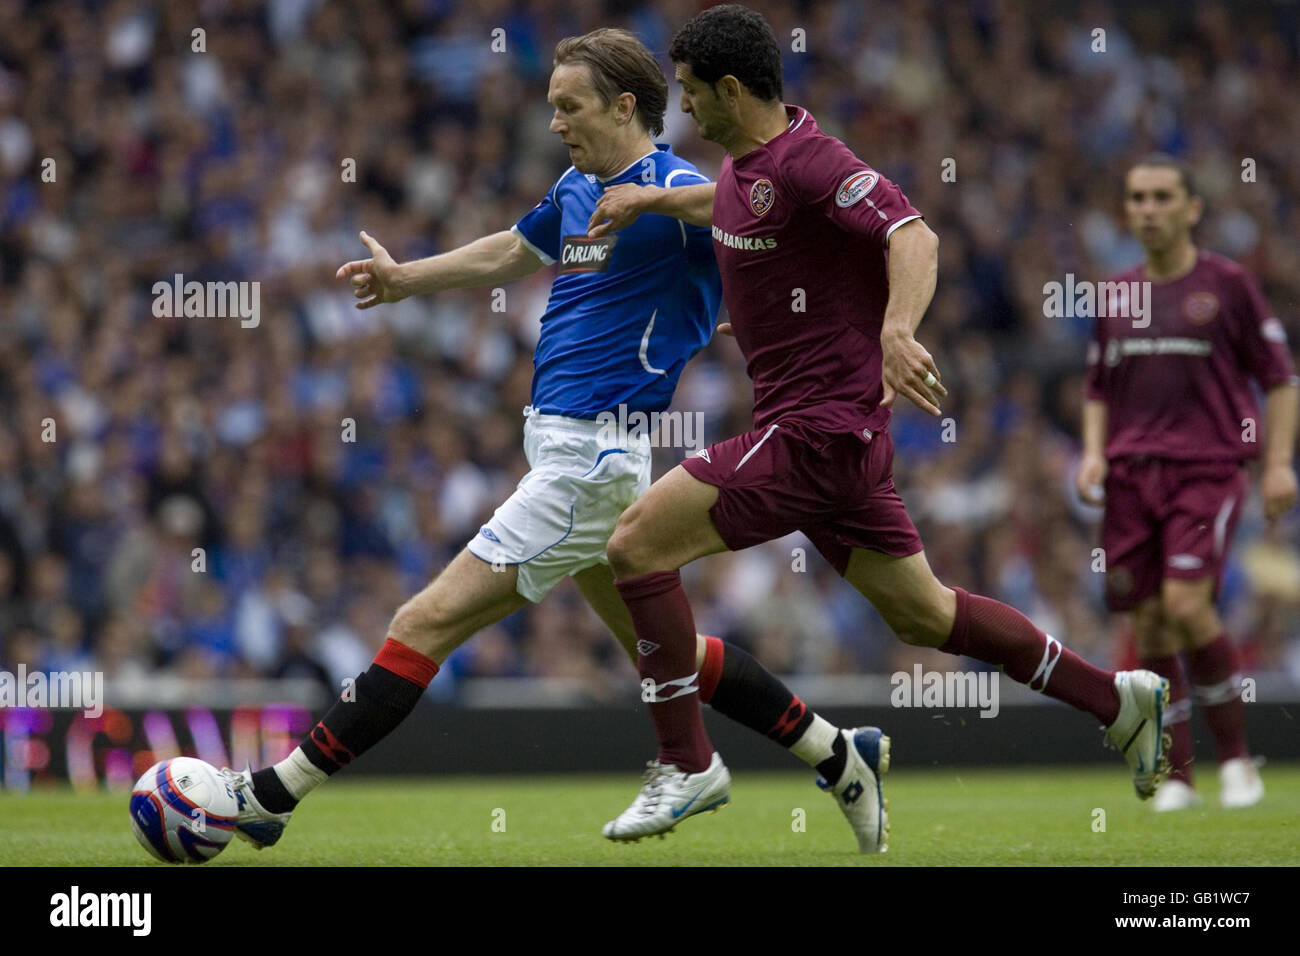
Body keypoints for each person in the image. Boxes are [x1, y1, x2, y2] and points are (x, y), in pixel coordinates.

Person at [222, 27, 880, 853]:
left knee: (422, 622)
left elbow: (779, 229)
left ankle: (273, 794)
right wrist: (405, 281)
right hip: (572, 453)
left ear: (625, 105)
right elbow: (513, 248)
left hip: (594, 460)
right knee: (665, 650)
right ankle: (835, 750)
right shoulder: (578, 187)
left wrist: (862, 339)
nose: (556, 123)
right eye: (551, 108)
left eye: (569, 106)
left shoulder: (682, 194)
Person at [590, 4, 1171, 849]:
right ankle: (1117, 702)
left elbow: (912, 233)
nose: (681, 111)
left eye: (687, 94)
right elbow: (722, 201)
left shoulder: (809, 159)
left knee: (634, 545)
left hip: (816, 433)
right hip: (840, 447)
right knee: (926, 617)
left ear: (728, 89)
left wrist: (898, 330)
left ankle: (686, 762)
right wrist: (652, 198)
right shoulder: (747, 169)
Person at [1077, 155, 1299, 811]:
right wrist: (1092, 455)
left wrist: (1280, 462)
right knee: (1147, 625)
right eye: (1137, 197)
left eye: (1162, 197)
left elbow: (1280, 378)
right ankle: (1178, 777)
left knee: (1184, 606)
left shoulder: (1228, 285)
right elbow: (1096, 388)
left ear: (1192, 208)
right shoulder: (1115, 294)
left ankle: (1238, 762)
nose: (1148, 208)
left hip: (1206, 470)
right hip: (1129, 476)